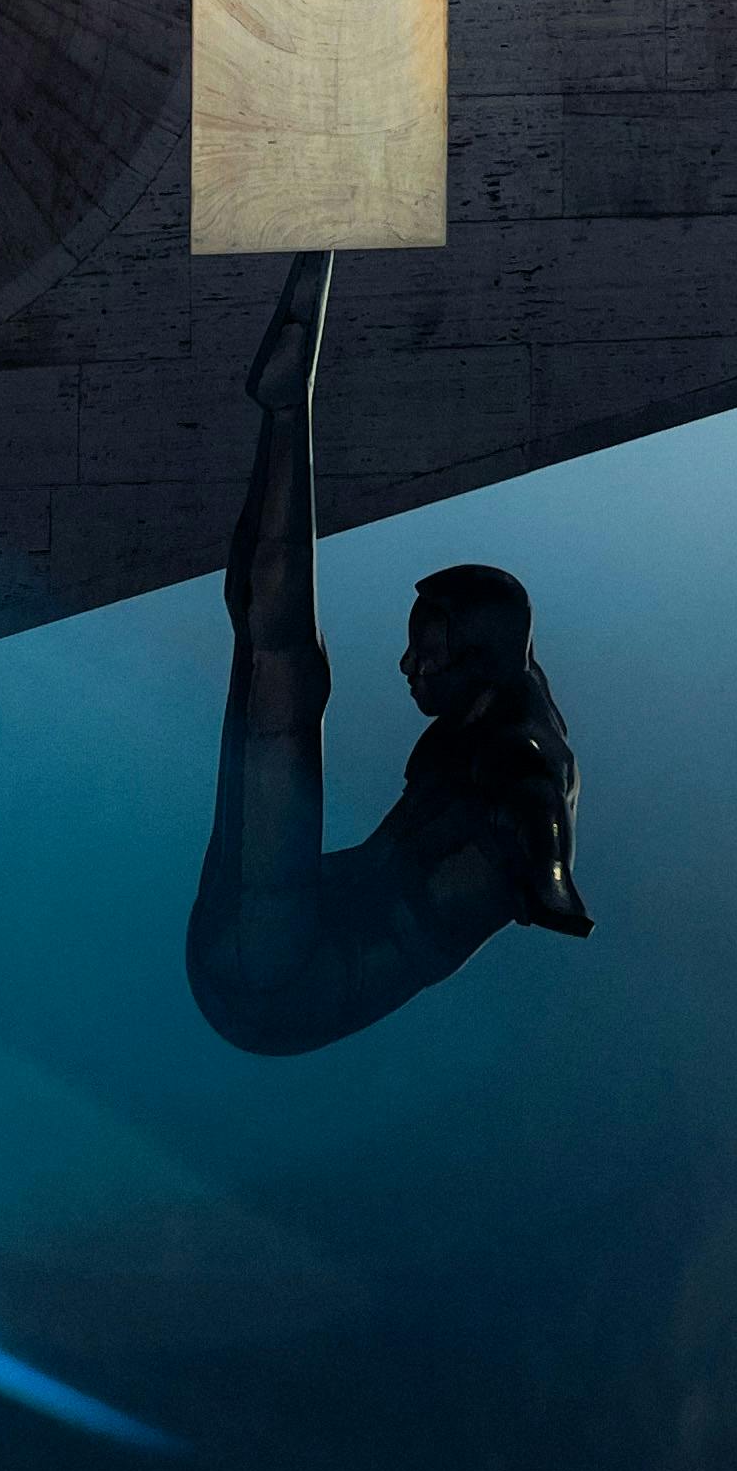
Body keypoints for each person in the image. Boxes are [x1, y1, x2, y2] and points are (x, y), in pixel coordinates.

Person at [188, 255, 592, 1053]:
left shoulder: (523, 750)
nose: (409, 670)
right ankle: (283, 415)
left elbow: (535, 802)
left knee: (285, 678)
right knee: (267, 652)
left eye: (428, 659)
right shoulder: (505, 691)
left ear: (474, 662)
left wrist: (552, 886)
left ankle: (288, 409)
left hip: (283, 978)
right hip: (260, 947)